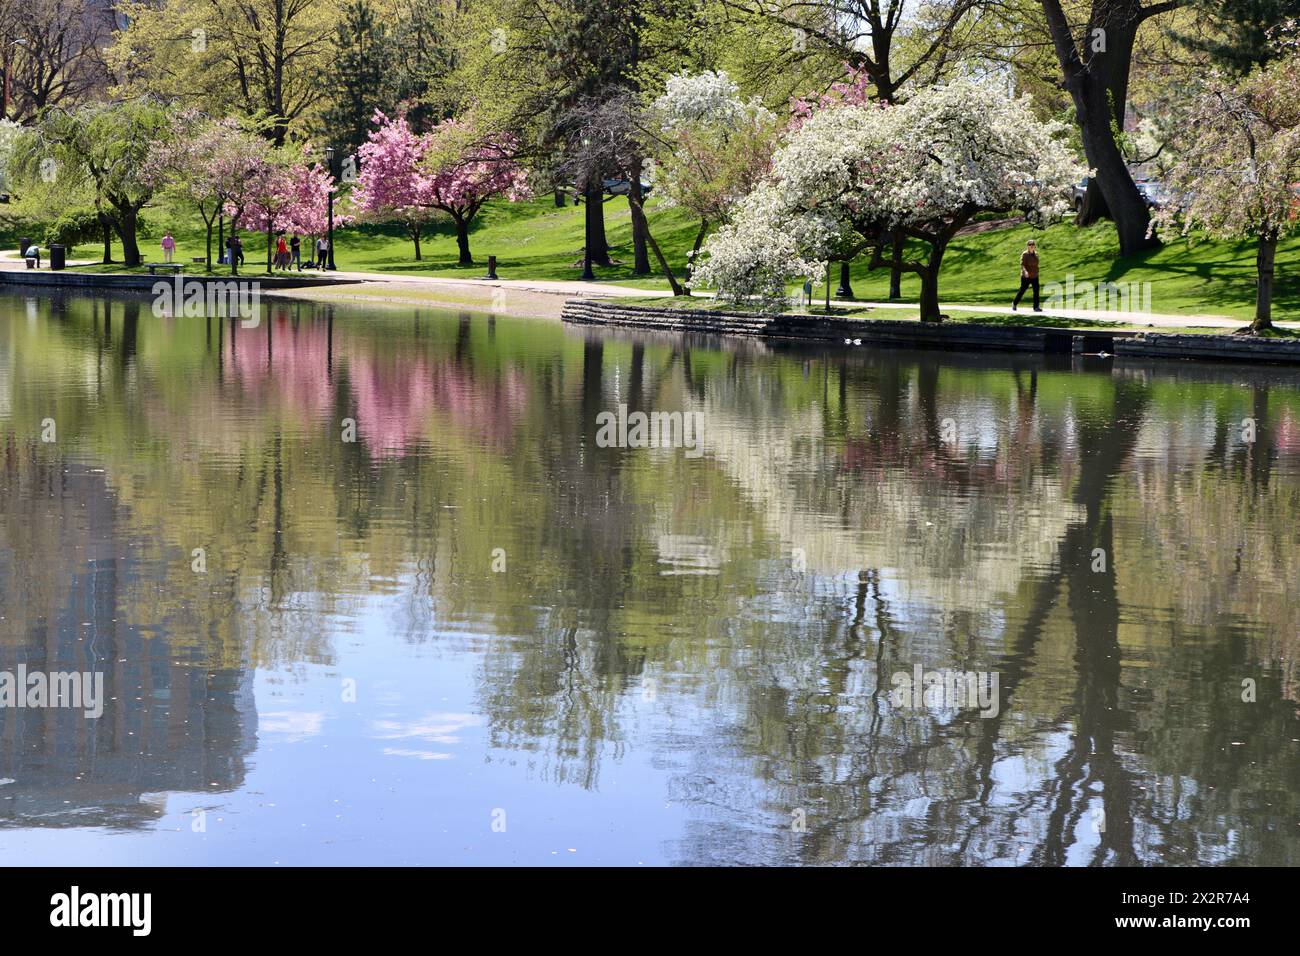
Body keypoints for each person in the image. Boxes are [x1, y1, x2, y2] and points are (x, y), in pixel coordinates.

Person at [1012, 239, 1041, 312]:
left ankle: (1036, 307)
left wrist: (1037, 272)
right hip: (1026, 277)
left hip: (1034, 276)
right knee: (1022, 290)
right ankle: (1014, 303)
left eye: (1033, 244)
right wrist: (1025, 272)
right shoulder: (1025, 254)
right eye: (1030, 245)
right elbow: (1022, 264)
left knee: (1036, 291)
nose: (1031, 246)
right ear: (1027, 246)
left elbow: (1036, 264)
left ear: (1034, 246)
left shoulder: (1036, 254)